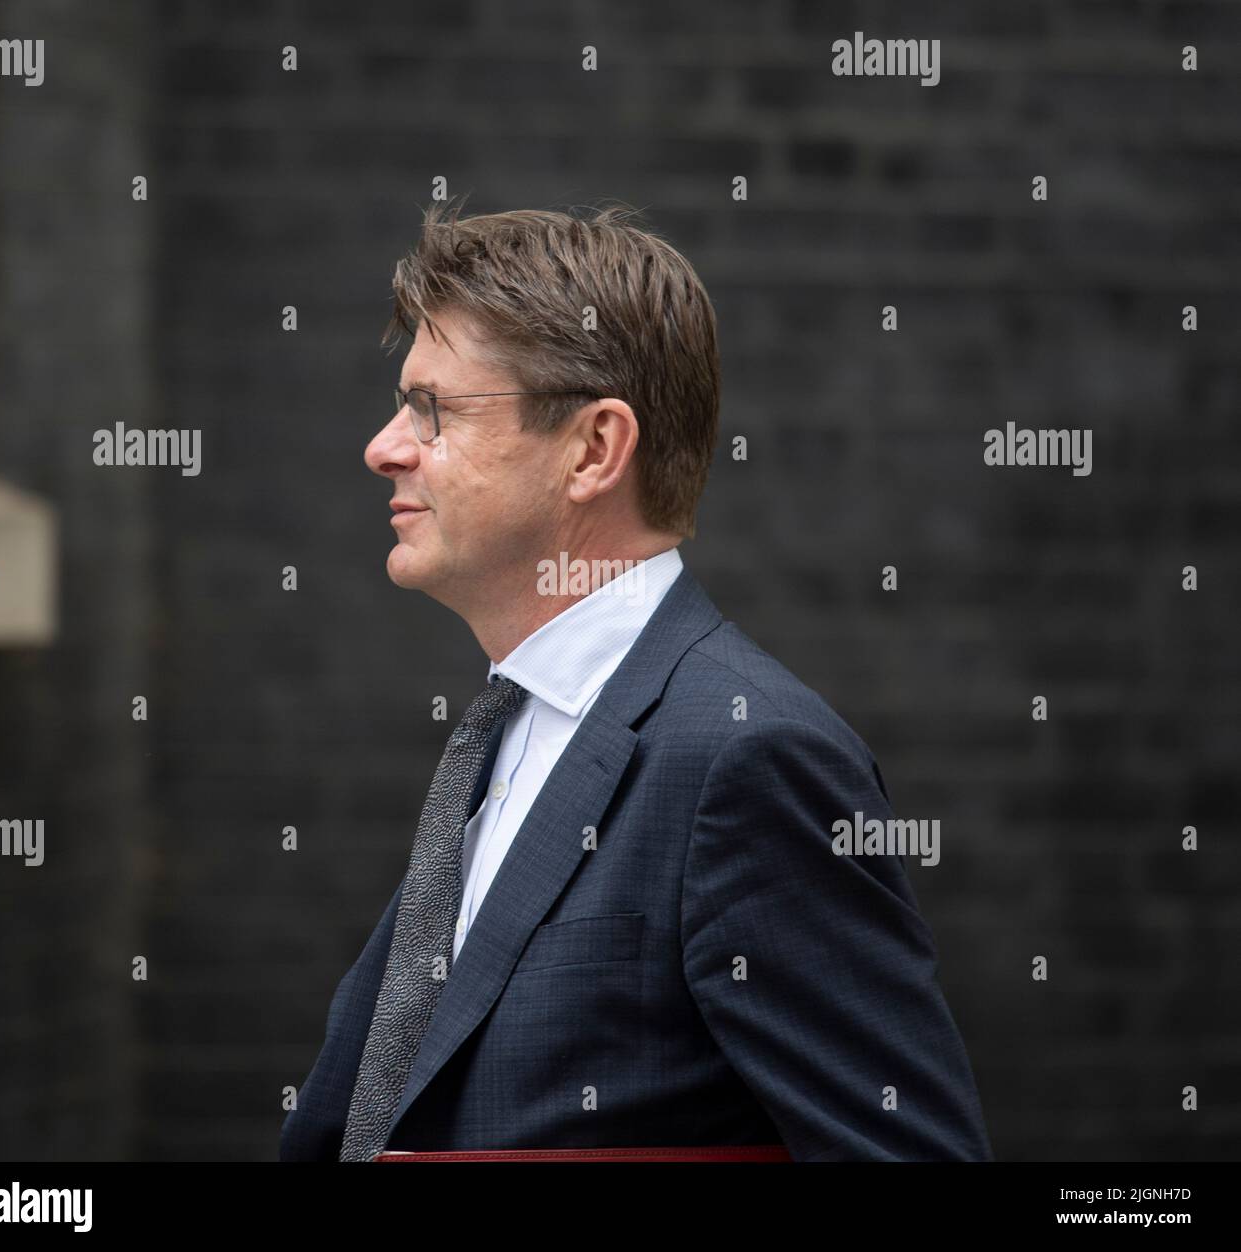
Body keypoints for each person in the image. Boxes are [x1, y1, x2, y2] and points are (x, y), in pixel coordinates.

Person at [280, 200, 992, 1162]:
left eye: (434, 410)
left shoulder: (751, 755)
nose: (385, 447)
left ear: (594, 451)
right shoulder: (505, 725)